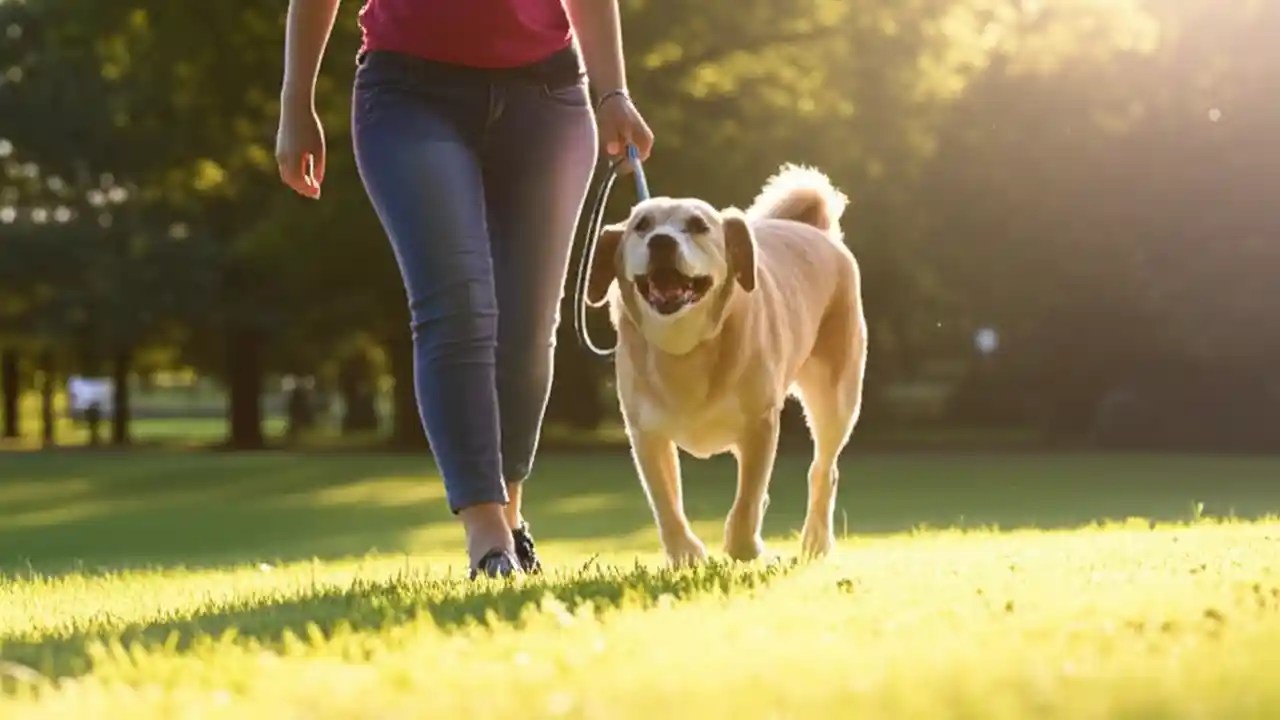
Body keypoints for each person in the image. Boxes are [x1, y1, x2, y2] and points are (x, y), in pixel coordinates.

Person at [275, 0, 654, 578]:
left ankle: (511, 517)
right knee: (456, 309)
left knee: (526, 327)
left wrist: (613, 92)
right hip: (409, 97)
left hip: (548, 96)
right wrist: (295, 102)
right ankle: (486, 536)